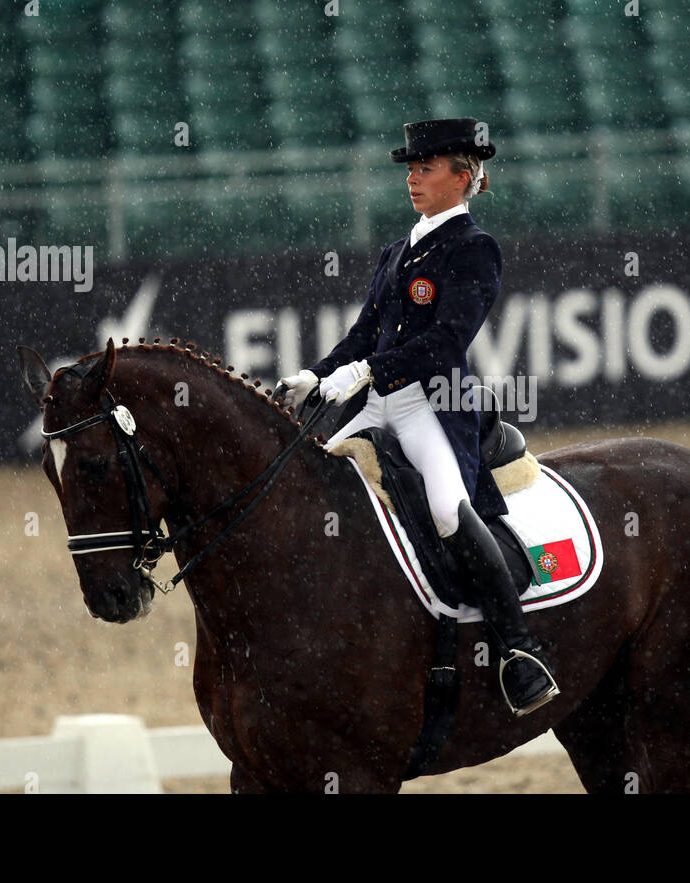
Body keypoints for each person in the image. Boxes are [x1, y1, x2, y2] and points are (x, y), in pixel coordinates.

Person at [277, 118, 559, 716]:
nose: (412, 179)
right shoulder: (396, 250)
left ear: (463, 178)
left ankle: (518, 650)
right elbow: (362, 335)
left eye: (425, 169)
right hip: (376, 397)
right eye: (410, 169)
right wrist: (319, 377)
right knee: (309, 482)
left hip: (433, 405)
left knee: (445, 510)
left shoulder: (473, 249)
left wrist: (369, 373)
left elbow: (447, 342)